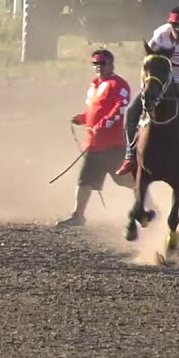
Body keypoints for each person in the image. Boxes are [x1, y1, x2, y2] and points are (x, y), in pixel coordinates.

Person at [116, 6, 179, 185]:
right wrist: (146, 83)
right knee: (131, 111)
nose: (178, 29)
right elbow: (147, 62)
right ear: (170, 24)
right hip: (158, 82)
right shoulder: (160, 36)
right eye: (175, 25)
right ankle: (130, 156)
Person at [58, 48, 134, 227]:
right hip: (94, 144)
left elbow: (121, 107)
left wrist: (104, 124)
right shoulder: (94, 85)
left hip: (113, 145)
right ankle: (78, 215)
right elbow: (93, 111)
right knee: (85, 179)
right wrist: (82, 118)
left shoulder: (119, 85)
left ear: (111, 64)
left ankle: (147, 207)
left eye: (102, 63)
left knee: (125, 180)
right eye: (95, 63)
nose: (99, 67)